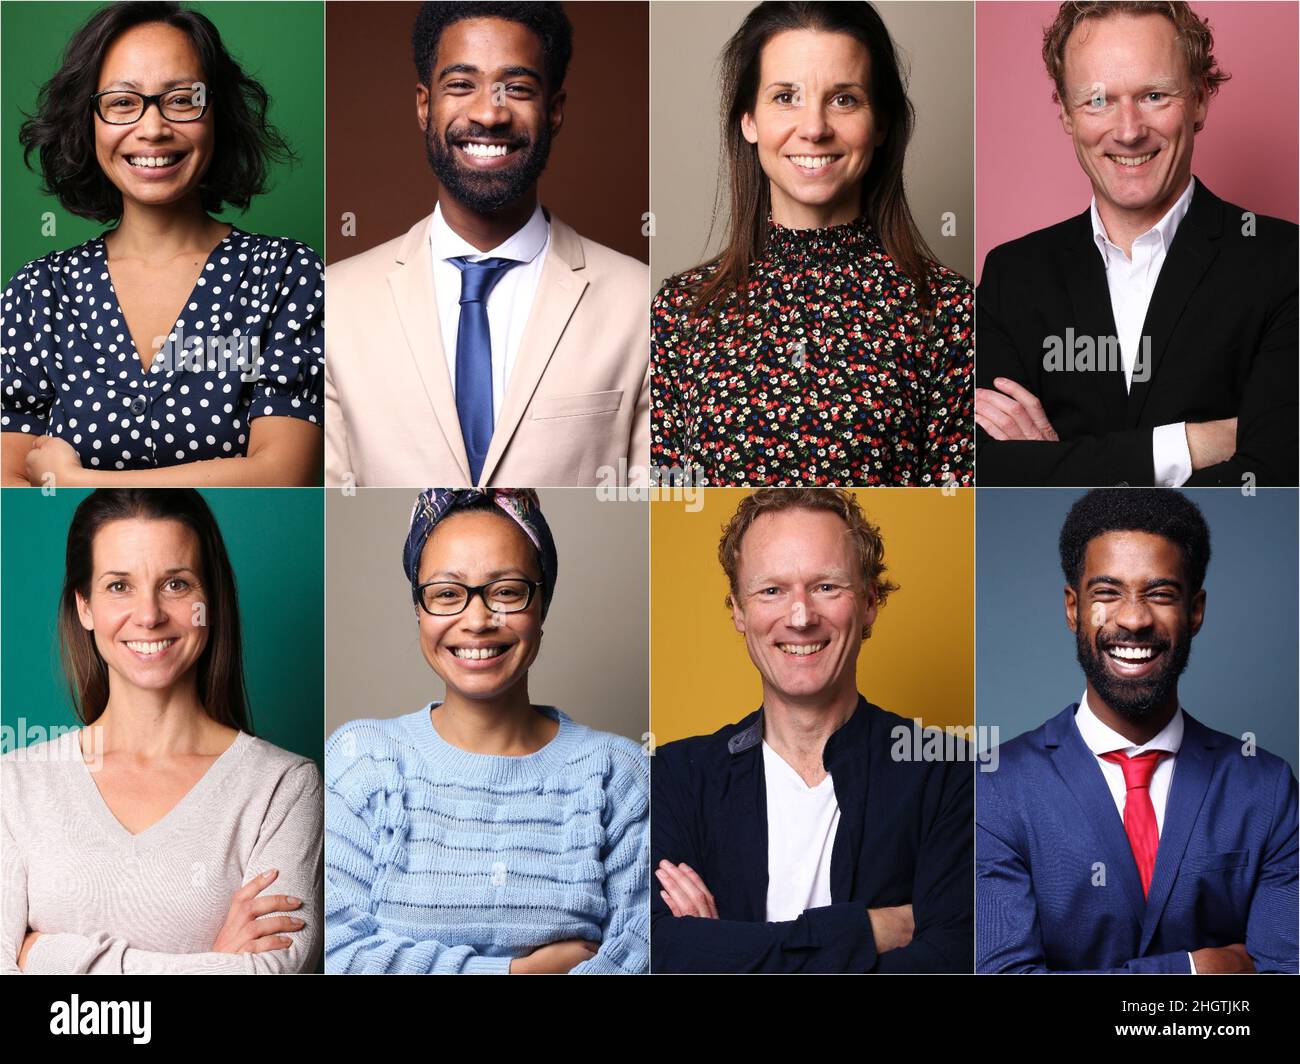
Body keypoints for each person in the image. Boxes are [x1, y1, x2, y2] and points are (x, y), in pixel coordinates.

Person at [324, 2, 649, 488]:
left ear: (554, 110)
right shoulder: (337, 298)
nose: (488, 113)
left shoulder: (639, 299)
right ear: (423, 104)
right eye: (460, 84)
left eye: (516, 89)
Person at [324, 488, 648, 974]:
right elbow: (336, 953)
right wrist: (518, 973)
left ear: (542, 604)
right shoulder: (361, 760)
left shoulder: (617, 774)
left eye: (507, 591)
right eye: (447, 594)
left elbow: (644, 953)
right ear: (419, 609)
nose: (477, 620)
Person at [1, 1, 324, 488]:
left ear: (217, 113)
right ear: (88, 120)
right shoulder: (38, 292)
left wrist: (76, 481)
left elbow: (282, 474)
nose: (152, 129)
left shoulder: (284, 275)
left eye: (181, 99)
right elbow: (9, 483)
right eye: (122, 102)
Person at [650, 1, 972, 488]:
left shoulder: (950, 312)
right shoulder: (682, 311)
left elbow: (956, 507)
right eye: (785, 97)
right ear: (749, 121)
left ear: (880, 123)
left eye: (844, 99)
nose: (815, 127)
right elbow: (668, 501)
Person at [975, 1, 1297, 487]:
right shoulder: (1011, 275)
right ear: (1065, 112)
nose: (1128, 131)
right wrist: (1191, 444)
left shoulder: (1284, 261)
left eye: (1153, 95)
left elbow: (1276, 475)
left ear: (1201, 98)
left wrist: (1055, 467)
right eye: (1097, 100)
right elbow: (989, 474)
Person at [1, 489, 323, 974]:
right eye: (118, 586)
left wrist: (44, 956)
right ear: (84, 606)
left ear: (209, 601)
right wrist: (214, 962)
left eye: (176, 585)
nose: (149, 615)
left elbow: (269, 971)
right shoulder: (15, 784)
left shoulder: (284, 788)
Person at [976, 489, 1299, 973]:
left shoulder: (1266, 787)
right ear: (1073, 608)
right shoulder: (994, 786)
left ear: (1195, 610)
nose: (1133, 618)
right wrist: (1195, 970)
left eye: (1161, 593)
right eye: (1107, 592)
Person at [652, 488, 972, 972]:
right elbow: (661, 952)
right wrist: (865, 930)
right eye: (771, 590)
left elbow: (951, 959)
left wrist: (726, 947)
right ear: (739, 610)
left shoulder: (947, 773)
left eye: (826, 586)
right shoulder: (674, 777)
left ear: (868, 604)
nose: (800, 617)